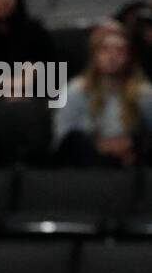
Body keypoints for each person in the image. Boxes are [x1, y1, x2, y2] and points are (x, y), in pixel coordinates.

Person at [54, 19, 152, 167]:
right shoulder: (75, 91)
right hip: (87, 163)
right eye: (105, 50)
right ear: (95, 55)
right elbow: (62, 139)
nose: (112, 57)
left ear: (129, 57)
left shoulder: (144, 93)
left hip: (130, 162)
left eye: (120, 51)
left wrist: (131, 144)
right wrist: (100, 147)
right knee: (75, 140)